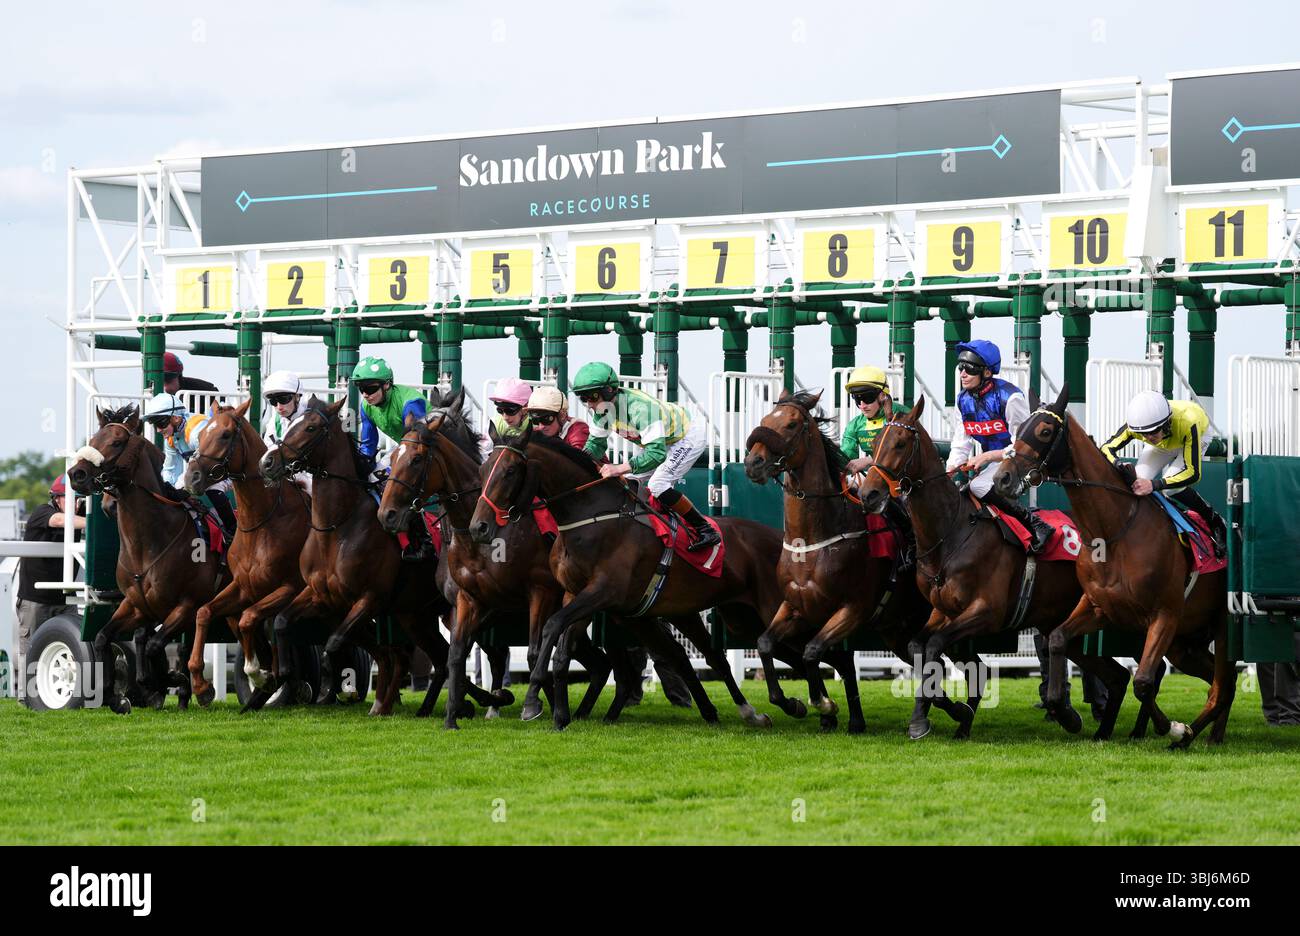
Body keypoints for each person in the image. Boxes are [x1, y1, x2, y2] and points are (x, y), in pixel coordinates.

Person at [572, 361, 719, 552]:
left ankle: (704, 529)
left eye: (592, 396)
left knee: (658, 484)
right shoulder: (602, 410)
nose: (589, 405)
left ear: (609, 390)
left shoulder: (640, 409)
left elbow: (657, 454)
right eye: (584, 398)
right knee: (628, 482)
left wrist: (618, 468)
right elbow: (595, 446)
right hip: (660, 441)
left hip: (687, 435)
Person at [945, 339, 1054, 553]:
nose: (962, 374)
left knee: (977, 486)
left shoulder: (1010, 397)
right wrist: (948, 472)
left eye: (969, 369)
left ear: (986, 372)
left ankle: (1036, 523)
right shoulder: (962, 400)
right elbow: (961, 443)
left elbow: (1023, 444)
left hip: (1021, 462)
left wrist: (986, 457)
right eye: (961, 367)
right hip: (994, 463)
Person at [1100, 390, 1226, 556]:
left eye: (1154, 431)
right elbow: (1105, 447)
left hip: (1193, 435)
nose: (1149, 437)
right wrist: (1118, 463)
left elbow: (1193, 473)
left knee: (1169, 488)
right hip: (1163, 444)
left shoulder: (1189, 421)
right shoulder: (1137, 426)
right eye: (1144, 433)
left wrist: (1154, 484)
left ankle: (1214, 520)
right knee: (1136, 483)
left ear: (1166, 422)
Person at [350, 356, 432, 560]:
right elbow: (368, 446)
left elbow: (415, 439)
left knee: (400, 483)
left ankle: (425, 541)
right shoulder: (366, 406)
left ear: (386, 385)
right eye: (361, 389)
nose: (365, 395)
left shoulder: (410, 402)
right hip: (406, 449)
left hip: (428, 449)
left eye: (369, 389)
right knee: (372, 481)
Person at [839, 365, 915, 567]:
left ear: (883, 395)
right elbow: (846, 457)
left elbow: (907, 450)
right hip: (873, 479)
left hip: (900, 476)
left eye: (867, 398)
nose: (862, 405)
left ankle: (912, 543)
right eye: (857, 400)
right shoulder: (855, 425)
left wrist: (869, 460)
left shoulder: (900, 415)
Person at [16, 476, 83, 698]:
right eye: (69, 498)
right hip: (35, 599)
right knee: (31, 648)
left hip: (65, 599)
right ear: (56, 499)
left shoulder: (77, 514)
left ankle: (64, 693)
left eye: (77, 500)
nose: (74, 504)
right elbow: (59, 521)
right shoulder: (41, 512)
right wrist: (92, 521)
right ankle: (27, 697)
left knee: (74, 647)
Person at [143, 390, 238, 536]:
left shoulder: (195, 432)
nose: (158, 429)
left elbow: (205, 468)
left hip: (227, 471)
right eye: (154, 424)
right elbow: (170, 469)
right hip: (205, 471)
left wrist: (185, 490)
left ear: (175, 418)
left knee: (212, 488)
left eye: (160, 423)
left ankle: (233, 531)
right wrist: (167, 488)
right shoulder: (171, 438)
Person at [261, 370, 312, 495]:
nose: (279, 406)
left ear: (297, 396)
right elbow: (268, 448)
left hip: (312, 476)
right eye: (273, 401)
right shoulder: (274, 420)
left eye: (283, 399)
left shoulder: (311, 417)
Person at [479, 377, 533, 460]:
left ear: (525, 408)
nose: (505, 417)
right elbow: (483, 455)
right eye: (500, 410)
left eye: (510, 411)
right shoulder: (495, 424)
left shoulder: (536, 426)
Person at [525, 386, 589, 451]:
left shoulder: (578, 429)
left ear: (562, 415)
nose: (541, 427)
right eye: (535, 420)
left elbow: (578, 458)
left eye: (546, 419)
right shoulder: (537, 431)